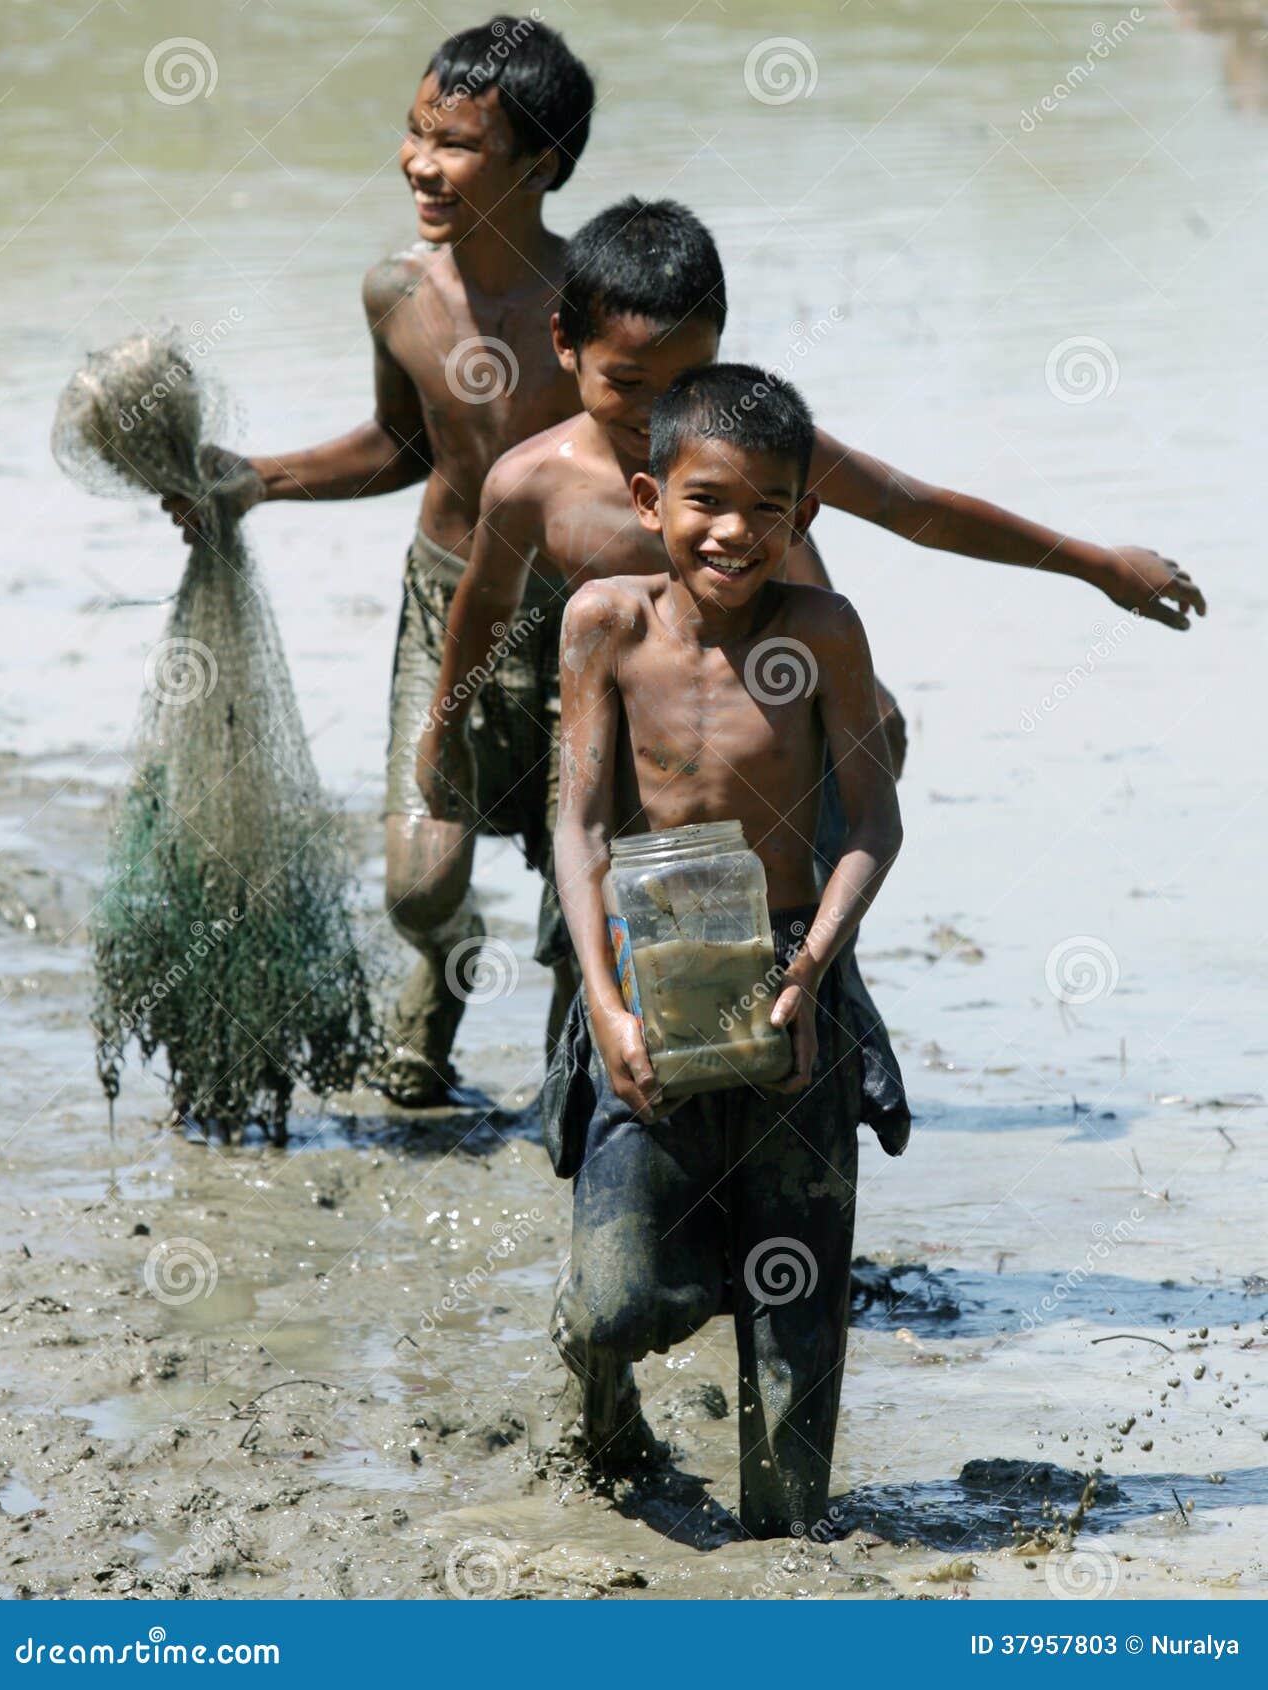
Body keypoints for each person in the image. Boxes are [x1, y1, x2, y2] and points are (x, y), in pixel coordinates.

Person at [414, 195, 1204, 959]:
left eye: (683, 380)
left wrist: (1098, 565)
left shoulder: (754, 440)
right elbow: (485, 603)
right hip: (629, 745)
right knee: (603, 947)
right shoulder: (532, 485)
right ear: (565, 343)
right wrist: (445, 726)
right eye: (628, 382)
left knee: (788, 934)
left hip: (767, 724)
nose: (657, 412)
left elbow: (913, 508)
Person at [161, 16, 595, 1105]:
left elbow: (696, 469)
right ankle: (444, 972)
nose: (420, 163)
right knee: (416, 883)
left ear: (541, 163)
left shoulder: (598, 309)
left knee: (583, 879)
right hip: (451, 599)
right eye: (413, 134)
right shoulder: (396, 294)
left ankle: (573, 1106)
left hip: (597, 609)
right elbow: (406, 446)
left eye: (454, 145)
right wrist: (257, 479)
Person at [546, 364, 904, 1538]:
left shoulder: (824, 632)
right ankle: (608, 1410)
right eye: (708, 500)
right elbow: (582, 821)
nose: (736, 532)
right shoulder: (607, 622)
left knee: (791, 1446)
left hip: (789, 978)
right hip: (650, 973)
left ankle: (778, 1546)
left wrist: (814, 971)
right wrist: (604, 1005)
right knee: (614, 1303)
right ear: (651, 499)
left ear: (802, 516)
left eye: (769, 507)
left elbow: (874, 817)